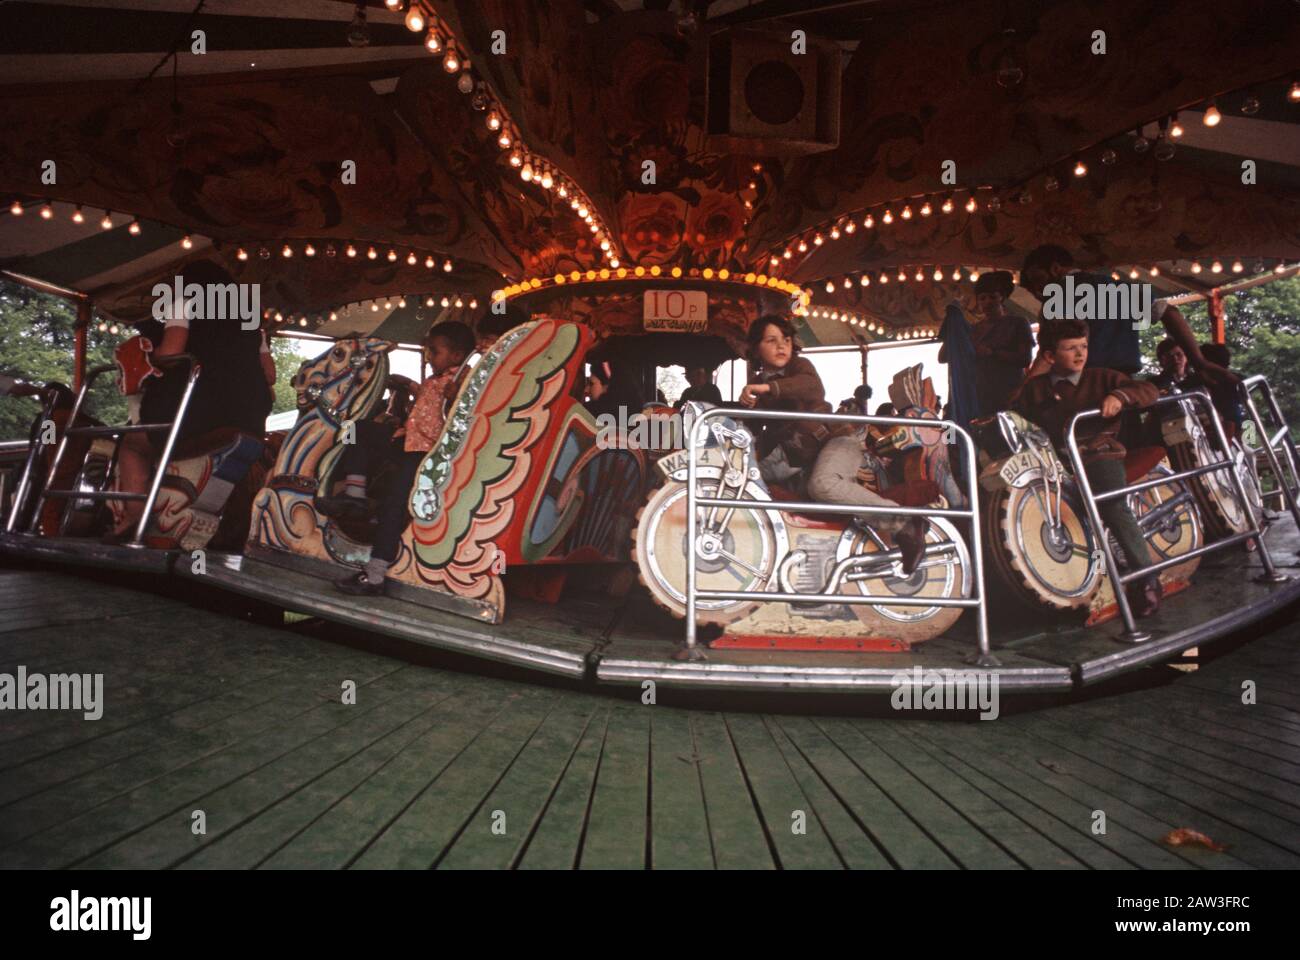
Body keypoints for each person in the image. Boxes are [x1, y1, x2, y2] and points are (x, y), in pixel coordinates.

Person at [739, 315, 926, 574]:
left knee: (822, 484)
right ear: (756, 348)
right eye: (771, 340)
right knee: (748, 477)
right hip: (801, 458)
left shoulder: (800, 367)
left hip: (836, 441)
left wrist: (766, 389)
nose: (782, 346)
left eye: (786, 339)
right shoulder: (762, 388)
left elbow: (812, 388)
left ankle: (904, 522)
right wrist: (746, 410)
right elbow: (759, 429)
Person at [107, 260, 273, 540]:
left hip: (201, 411)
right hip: (250, 415)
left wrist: (150, 357)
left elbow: (171, 351)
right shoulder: (249, 315)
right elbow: (269, 374)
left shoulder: (183, 300)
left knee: (132, 444)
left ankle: (134, 518)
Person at [1010, 319, 1163, 617]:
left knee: (1109, 501)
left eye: (1083, 347)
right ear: (1050, 357)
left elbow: (1147, 390)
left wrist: (1120, 397)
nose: (1080, 354)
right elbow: (1014, 410)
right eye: (1070, 349)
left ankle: (1146, 577)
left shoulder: (1103, 378)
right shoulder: (1036, 390)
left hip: (1099, 454)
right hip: (1057, 462)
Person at [332, 321, 475, 595]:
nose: (429, 357)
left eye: (434, 351)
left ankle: (374, 575)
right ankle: (354, 493)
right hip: (407, 442)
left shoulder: (464, 381)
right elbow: (426, 406)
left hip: (427, 454)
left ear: (457, 355)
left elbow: (462, 416)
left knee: (393, 504)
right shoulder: (436, 379)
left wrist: (459, 398)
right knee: (357, 429)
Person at [1021, 244, 1238, 388]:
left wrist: (1026, 390)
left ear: (1056, 268)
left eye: (1037, 278)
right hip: (1126, 384)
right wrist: (1199, 361)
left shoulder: (1058, 299)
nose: (1037, 288)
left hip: (1084, 389)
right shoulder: (1112, 288)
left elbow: (1047, 355)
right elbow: (1169, 313)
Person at [939, 270, 1033, 417]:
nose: (987, 302)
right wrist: (952, 329)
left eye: (992, 297)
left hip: (1008, 394)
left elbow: (1025, 358)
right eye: (982, 298)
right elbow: (943, 357)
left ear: (1001, 297)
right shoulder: (973, 329)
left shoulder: (1018, 323)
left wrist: (993, 353)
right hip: (979, 397)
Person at [1184, 343, 1246, 441]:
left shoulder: (1232, 380)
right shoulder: (1194, 381)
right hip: (1204, 433)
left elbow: (1242, 386)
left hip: (1236, 430)